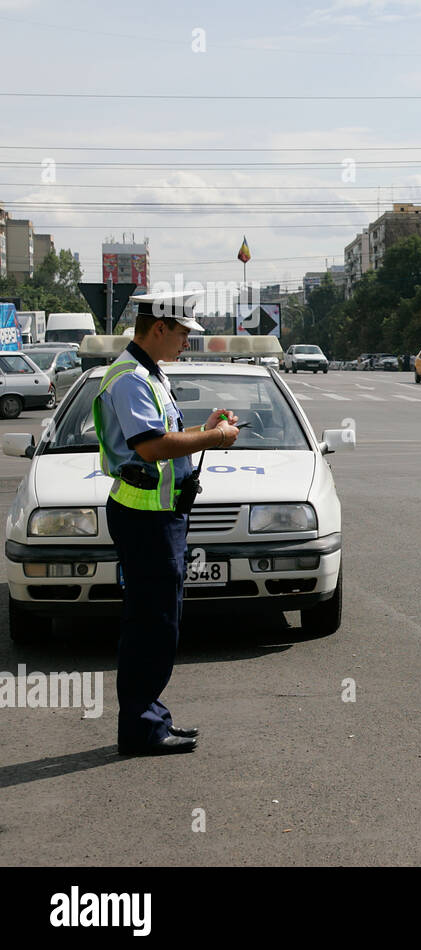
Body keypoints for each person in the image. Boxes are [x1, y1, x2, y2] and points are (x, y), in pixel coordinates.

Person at [95, 292, 241, 756]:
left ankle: (150, 719)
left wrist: (205, 427)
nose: (186, 343)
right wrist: (216, 437)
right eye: (182, 334)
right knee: (152, 624)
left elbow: (164, 435)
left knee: (160, 621)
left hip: (158, 515)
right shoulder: (131, 378)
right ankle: (141, 729)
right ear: (159, 328)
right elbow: (153, 447)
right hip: (145, 517)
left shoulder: (149, 374)